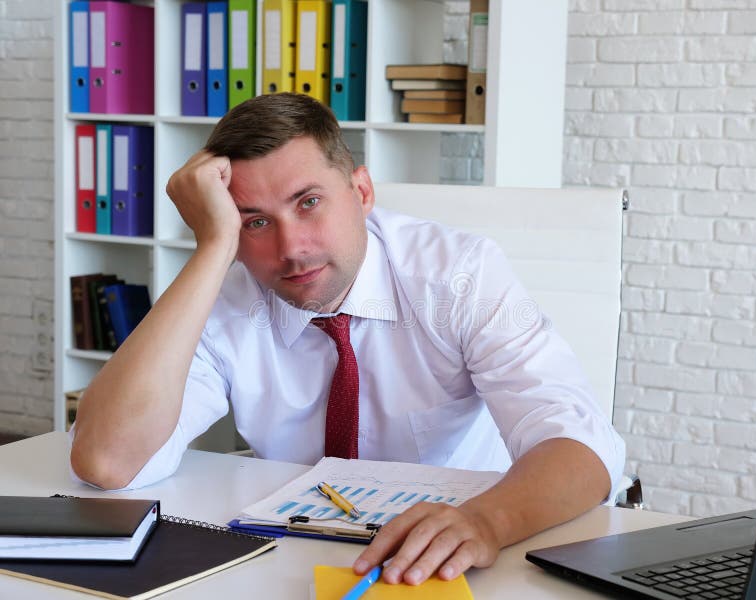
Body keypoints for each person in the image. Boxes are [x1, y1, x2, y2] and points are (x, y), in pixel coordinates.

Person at [71, 93, 625, 586]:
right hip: (290, 559)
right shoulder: (224, 292)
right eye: (255, 222)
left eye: (308, 202)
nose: (292, 248)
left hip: (462, 557)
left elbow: (583, 448)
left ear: (360, 191)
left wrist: (485, 521)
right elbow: (107, 461)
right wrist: (213, 249)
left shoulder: (458, 275)